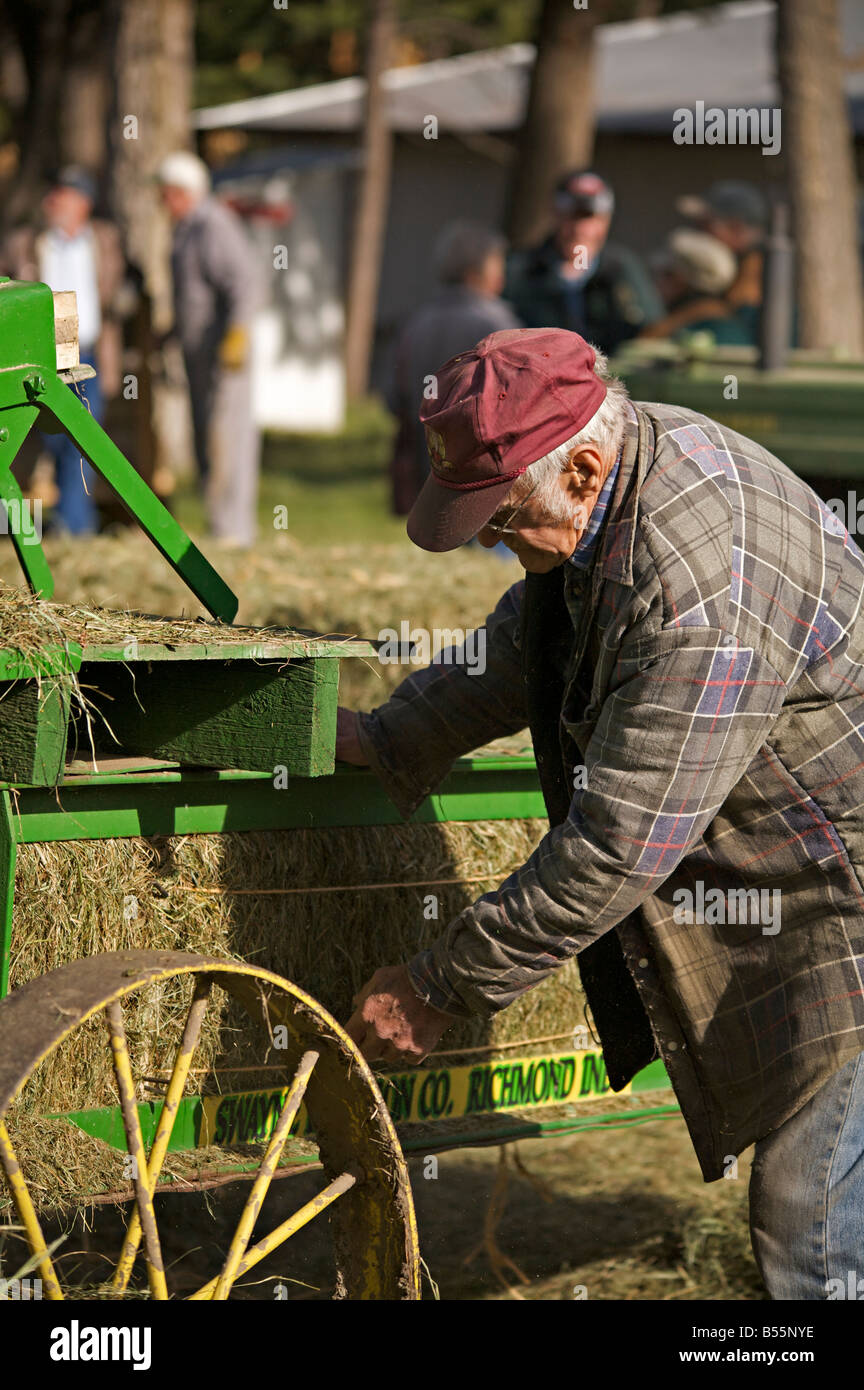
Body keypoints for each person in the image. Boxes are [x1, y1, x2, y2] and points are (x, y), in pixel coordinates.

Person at [337, 326, 864, 1300]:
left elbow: (617, 844)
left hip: (838, 881)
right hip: (779, 846)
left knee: (809, 1213)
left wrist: (437, 982)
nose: (494, 541)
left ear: (582, 466)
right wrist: (393, 733)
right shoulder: (619, 476)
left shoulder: (699, 585)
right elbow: (529, 639)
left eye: (501, 521)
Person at [0, 166, 129, 534]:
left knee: (84, 438)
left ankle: (75, 527)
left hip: (87, 353)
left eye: (63, 195)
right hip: (42, 356)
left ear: (83, 203)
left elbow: (118, 287)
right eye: (53, 194)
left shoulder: (103, 240)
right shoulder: (26, 242)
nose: (53, 201)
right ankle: (44, 525)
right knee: (45, 440)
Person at [156, 151, 260, 548]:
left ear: (183, 192)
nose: (162, 202)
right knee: (207, 438)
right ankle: (219, 524)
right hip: (198, 354)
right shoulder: (186, 228)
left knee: (227, 437)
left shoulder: (213, 225)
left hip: (224, 355)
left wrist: (237, 334)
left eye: (166, 193)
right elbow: (194, 293)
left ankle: (235, 531)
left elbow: (244, 284)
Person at [388, 221, 520, 515]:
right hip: (484, 461)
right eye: (498, 266)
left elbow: (394, 397)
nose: (503, 275)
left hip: (427, 459)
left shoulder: (416, 322)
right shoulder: (498, 324)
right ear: (477, 272)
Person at [505, 170, 663, 352]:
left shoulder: (622, 268)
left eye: (588, 217)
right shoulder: (520, 268)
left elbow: (651, 329)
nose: (579, 229)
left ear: (605, 221)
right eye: (571, 217)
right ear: (555, 216)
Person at [677, 180, 767, 333]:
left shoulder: (757, 262)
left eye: (706, 224)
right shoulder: (733, 264)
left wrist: (679, 319)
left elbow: (737, 309)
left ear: (735, 228)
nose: (700, 232)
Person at [641, 227, 757, 345]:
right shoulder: (724, 323)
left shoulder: (700, 329)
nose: (657, 282)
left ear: (680, 278)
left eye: (666, 274)